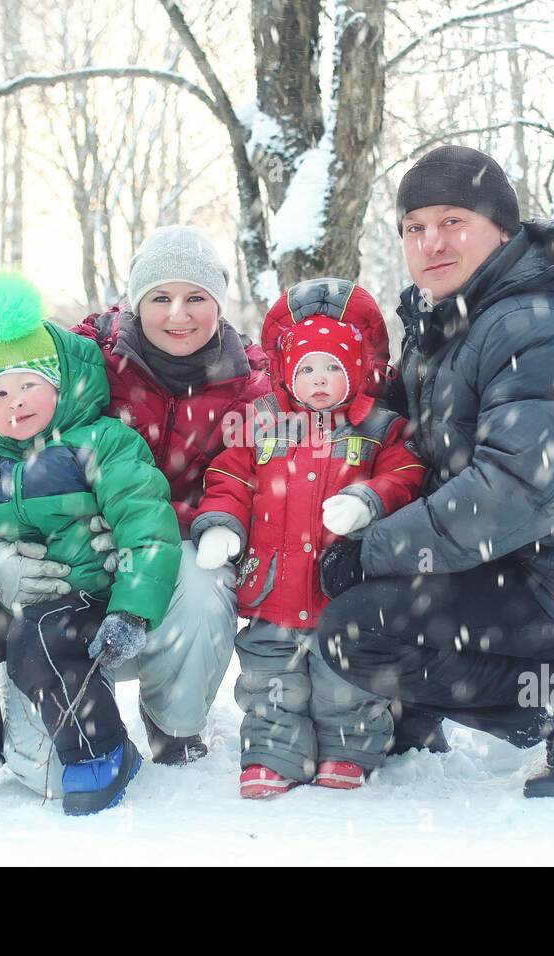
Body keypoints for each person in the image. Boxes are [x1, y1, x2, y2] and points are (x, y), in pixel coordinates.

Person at [315, 144, 554, 797]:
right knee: (360, 590)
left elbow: (517, 492)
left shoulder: (545, 325)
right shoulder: (448, 326)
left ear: (503, 230)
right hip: (519, 558)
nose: (431, 242)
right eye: (414, 227)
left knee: (358, 630)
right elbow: (399, 433)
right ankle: (419, 713)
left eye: (453, 221)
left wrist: (376, 551)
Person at [0, 226, 270, 788]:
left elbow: (244, 486)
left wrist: (145, 533)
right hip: (64, 557)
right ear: (136, 302)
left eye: (196, 297)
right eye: (160, 297)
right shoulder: (86, 359)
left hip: (168, 554)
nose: (177, 314)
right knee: (43, 775)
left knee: (204, 581)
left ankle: (173, 724)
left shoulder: (248, 386)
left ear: (218, 304)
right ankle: (55, 695)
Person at [0, 271, 180, 815]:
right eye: (0, 392)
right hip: (7, 600)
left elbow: (146, 525)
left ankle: (102, 749)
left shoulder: (102, 442)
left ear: (61, 384)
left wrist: (131, 610)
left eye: (29, 384)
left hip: (80, 597)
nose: (15, 402)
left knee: (44, 636)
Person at [191, 279, 426, 797]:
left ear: (358, 370)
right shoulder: (260, 424)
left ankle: (349, 746)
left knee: (344, 676)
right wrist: (221, 526)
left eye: (333, 368)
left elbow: (406, 474)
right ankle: (274, 751)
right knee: (271, 678)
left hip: (343, 590)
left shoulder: (381, 429)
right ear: (286, 373)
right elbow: (229, 480)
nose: (319, 381)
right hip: (275, 587)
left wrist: (370, 499)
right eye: (307, 369)